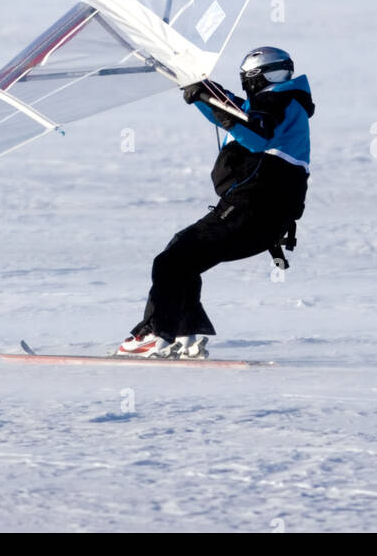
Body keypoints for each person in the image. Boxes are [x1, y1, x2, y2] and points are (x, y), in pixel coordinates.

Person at [116, 47, 314, 358]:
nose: (278, 80)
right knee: (181, 256)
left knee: (172, 261)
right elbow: (238, 112)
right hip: (266, 217)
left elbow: (255, 133)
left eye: (280, 74)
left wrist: (205, 95)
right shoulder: (284, 104)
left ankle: (155, 333)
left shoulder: (276, 100)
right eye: (273, 75)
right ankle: (185, 333)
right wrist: (200, 92)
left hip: (253, 208)